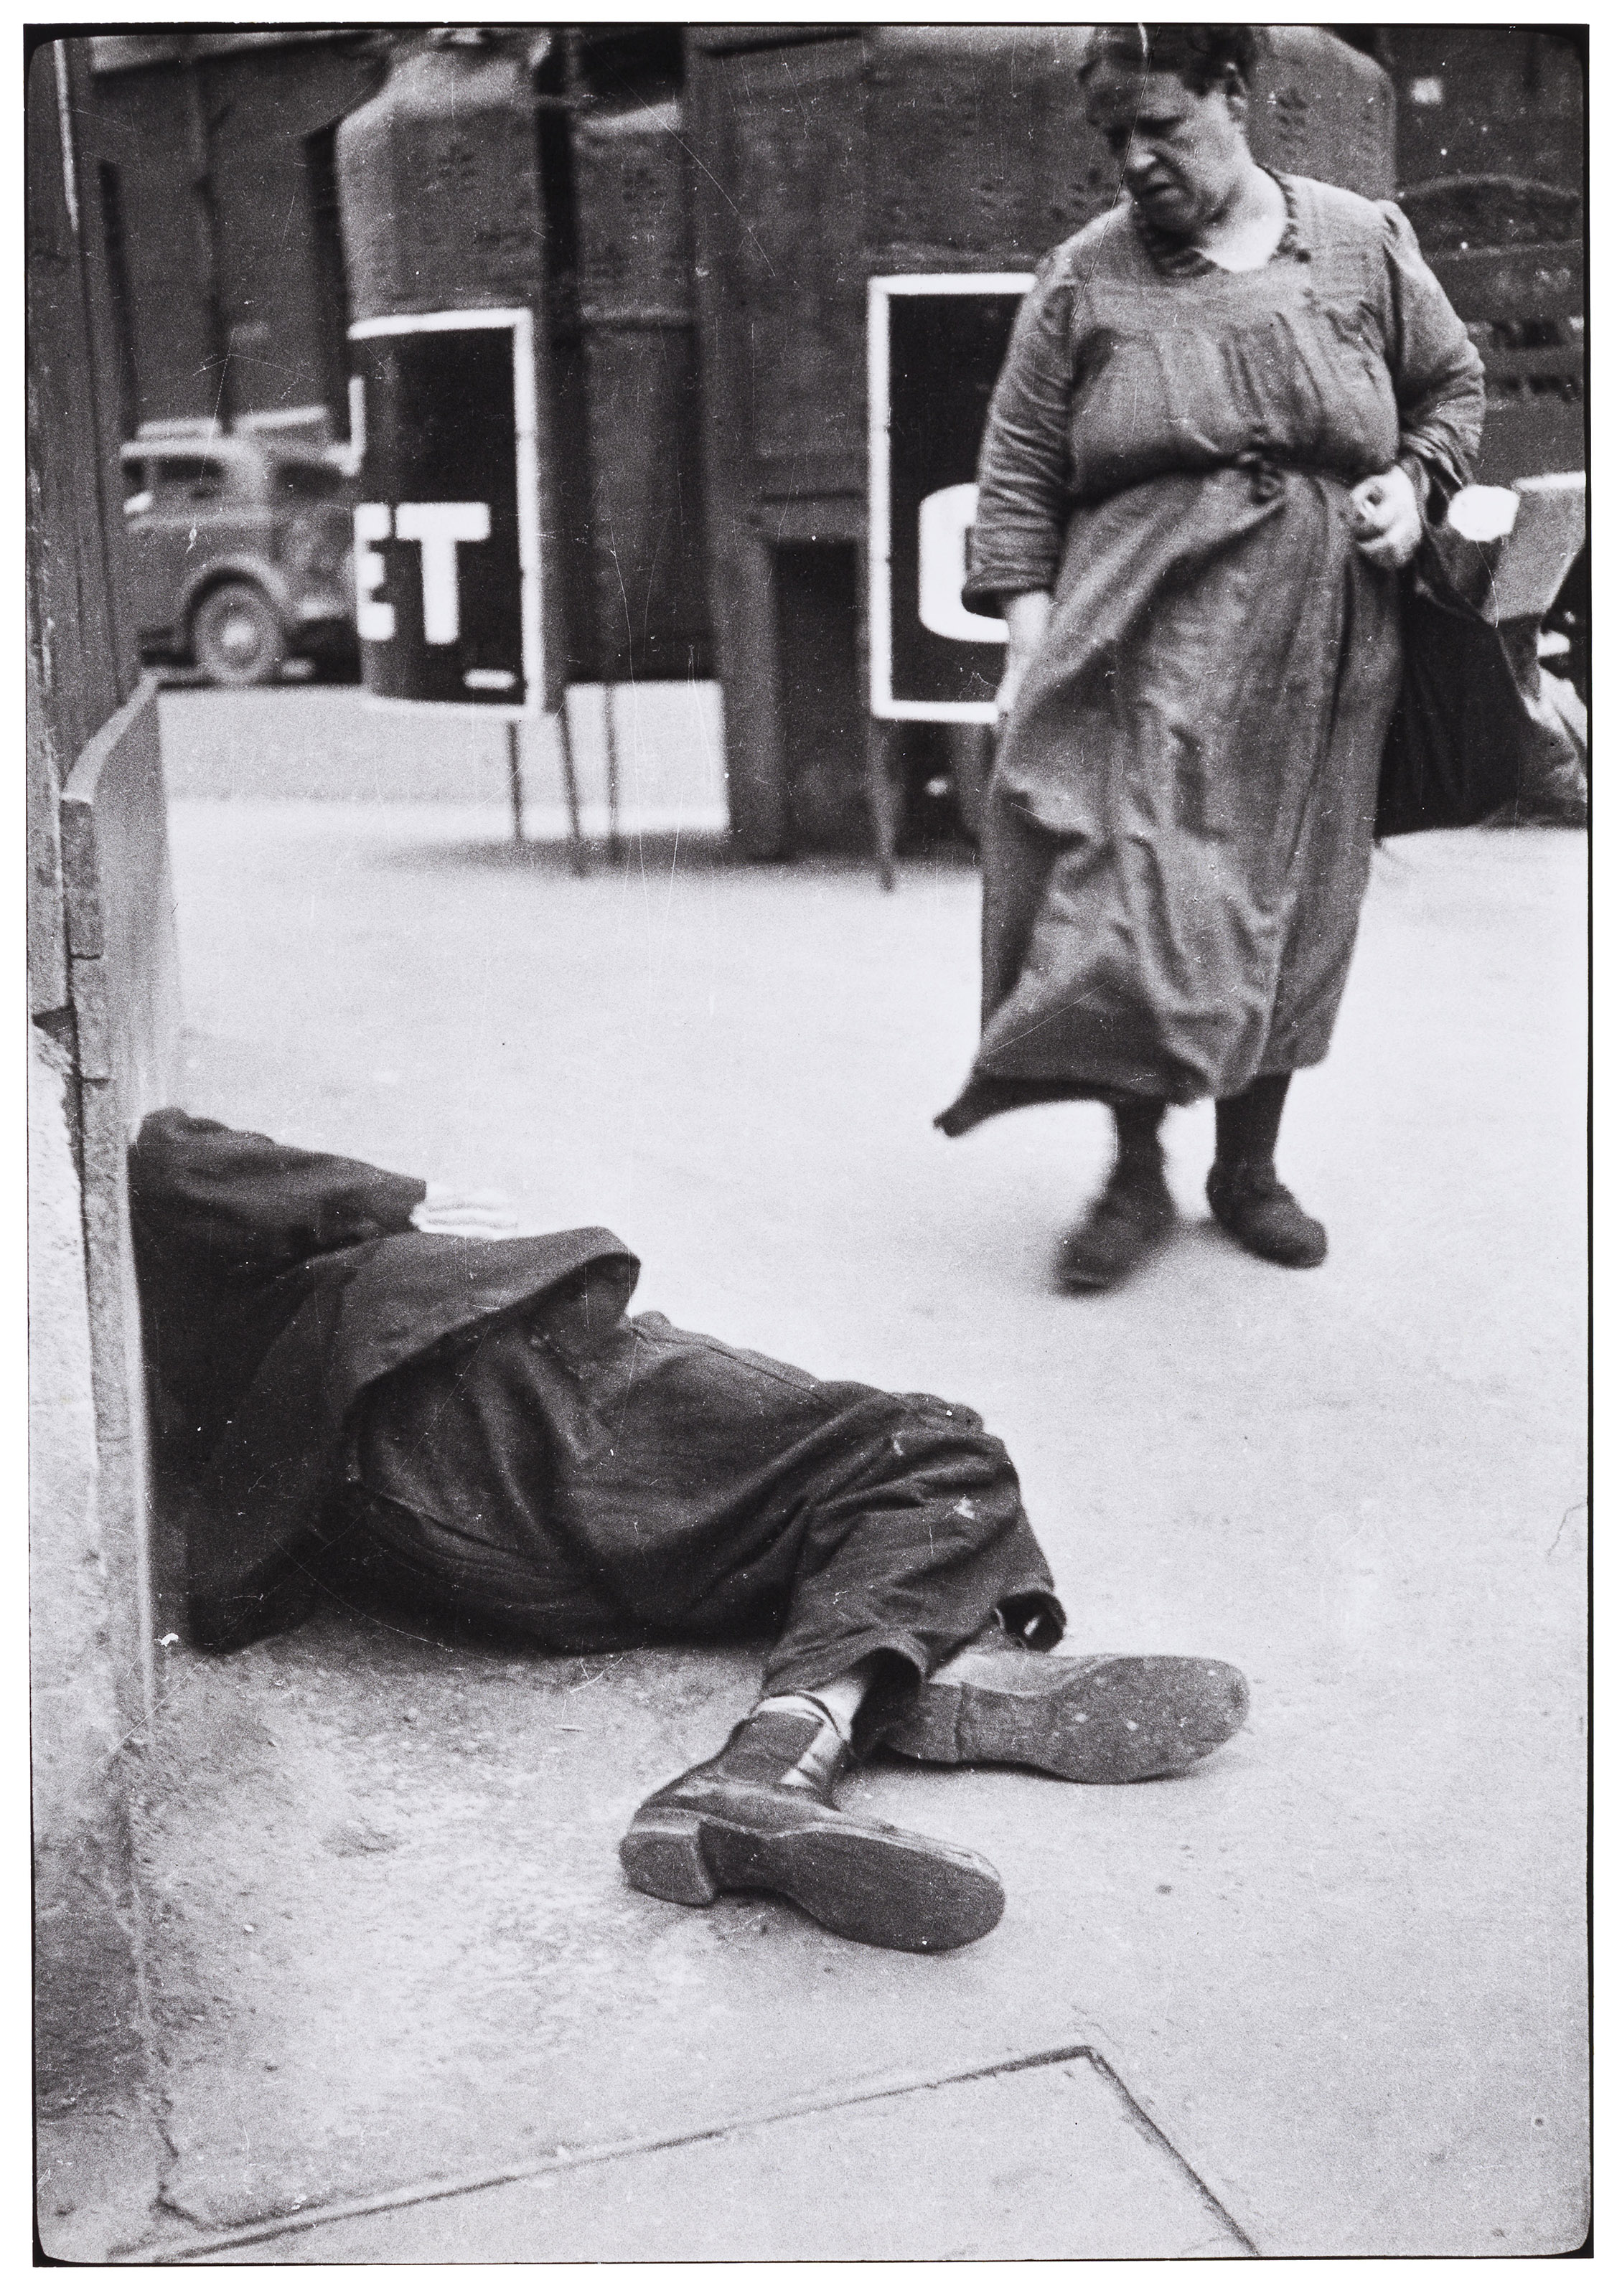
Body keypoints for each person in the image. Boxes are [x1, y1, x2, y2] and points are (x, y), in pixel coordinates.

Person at [131, 1109, 1250, 1957]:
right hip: (480, 1395)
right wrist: (397, 1200)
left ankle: (896, 1685)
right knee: (926, 1451)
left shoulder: (214, 1361)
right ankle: (794, 1745)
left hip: (473, 1553)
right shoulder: (282, 1271)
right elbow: (164, 1156)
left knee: (779, 1520)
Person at [936, 24, 1486, 1292]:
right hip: (1139, 629)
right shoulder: (1084, 276)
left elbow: (1451, 388)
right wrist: (1028, 649)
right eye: (1112, 136)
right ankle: (1135, 1171)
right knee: (1135, 894)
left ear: (1233, 95)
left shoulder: (1358, 239)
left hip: (1324, 633)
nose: (1133, 159)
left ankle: (1249, 1169)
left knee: (1294, 894)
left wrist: (1413, 484)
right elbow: (1017, 472)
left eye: (1159, 126)